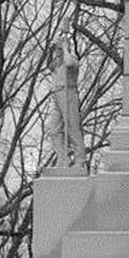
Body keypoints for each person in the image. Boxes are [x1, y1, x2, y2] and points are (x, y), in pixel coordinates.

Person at [45, 27, 86, 168]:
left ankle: (80, 160)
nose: (57, 52)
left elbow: (69, 63)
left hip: (68, 93)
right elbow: (48, 65)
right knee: (54, 129)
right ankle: (63, 158)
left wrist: (65, 47)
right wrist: (52, 47)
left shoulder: (71, 60)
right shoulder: (56, 64)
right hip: (57, 95)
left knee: (73, 128)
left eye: (58, 49)